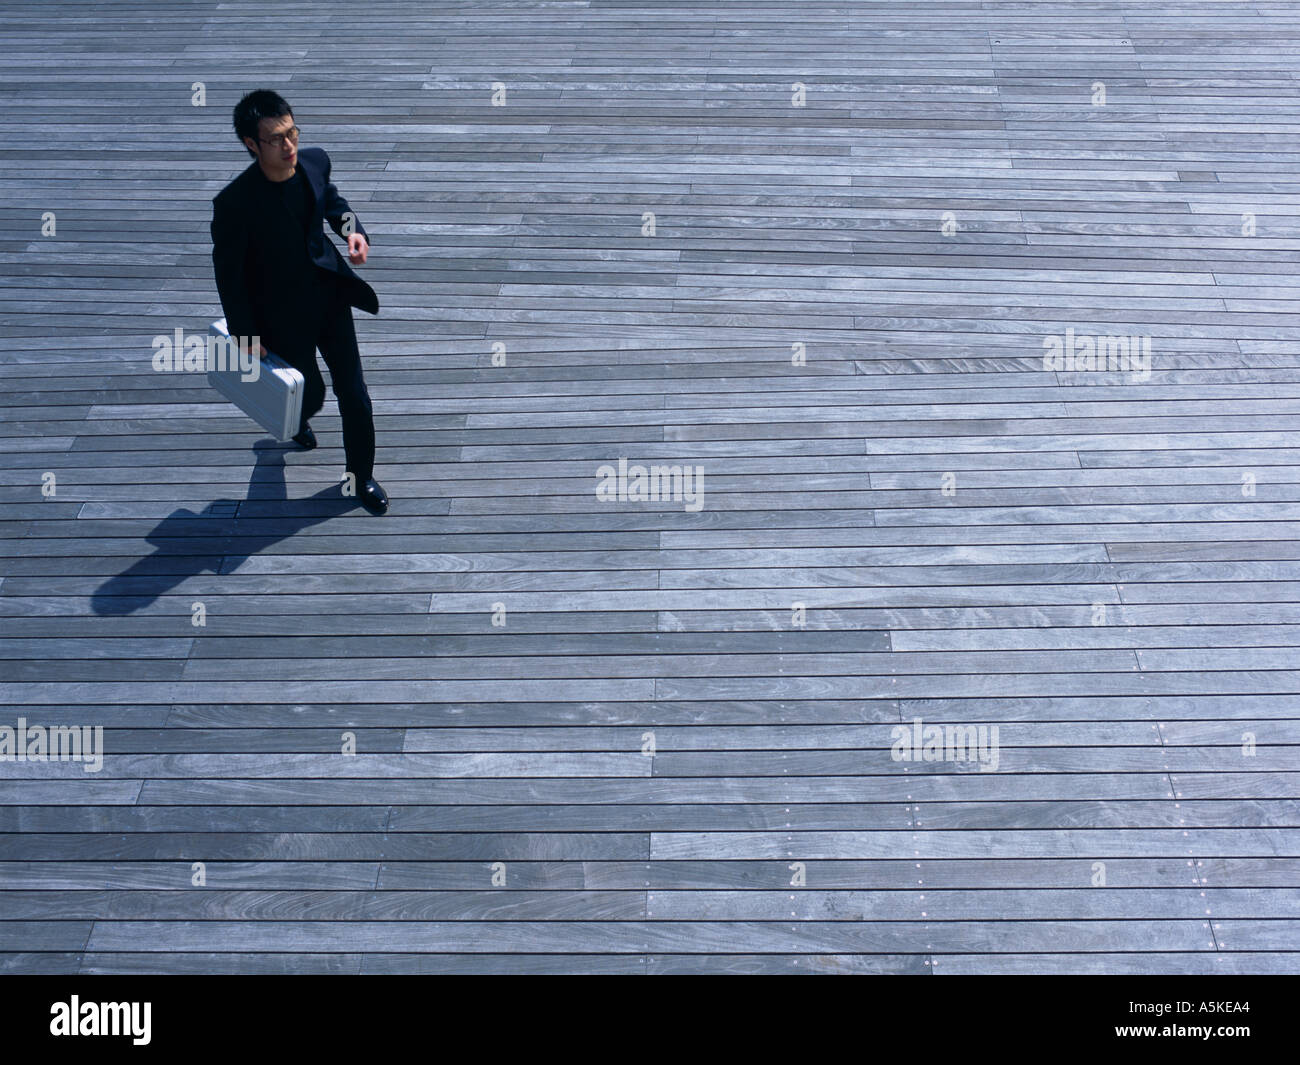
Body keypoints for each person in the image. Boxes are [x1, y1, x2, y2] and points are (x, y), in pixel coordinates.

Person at [211, 89, 388, 514]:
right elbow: (229, 280)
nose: (289, 145)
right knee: (309, 394)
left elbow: (333, 204)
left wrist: (352, 232)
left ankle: (360, 476)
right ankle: (296, 421)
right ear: (252, 145)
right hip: (279, 316)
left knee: (355, 394)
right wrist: (247, 336)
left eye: (292, 132)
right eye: (276, 138)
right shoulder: (234, 205)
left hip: (330, 299)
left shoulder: (313, 161)